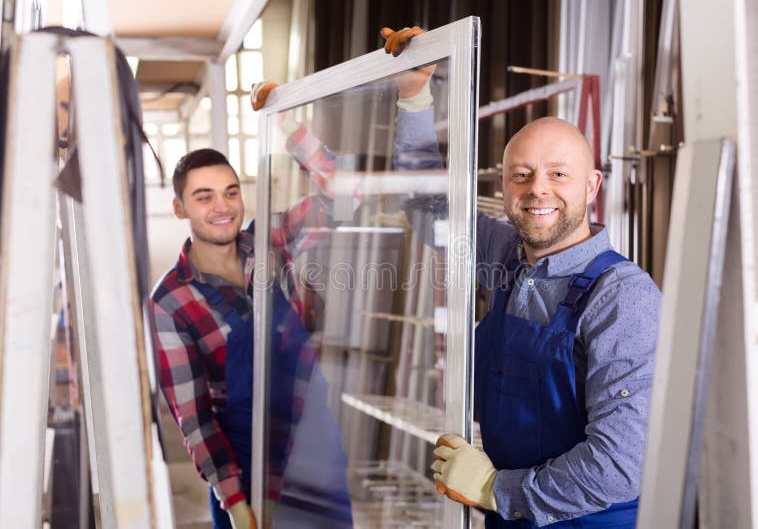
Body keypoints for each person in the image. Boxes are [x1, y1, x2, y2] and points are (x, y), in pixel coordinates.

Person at [381, 28, 661, 528]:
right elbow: (428, 207)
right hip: (507, 518)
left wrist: (493, 488)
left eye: (559, 174)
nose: (538, 191)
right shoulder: (508, 257)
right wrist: (413, 96)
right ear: (505, 185)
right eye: (522, 174)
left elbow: (621, 466)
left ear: (592, 186)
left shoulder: (623, 299)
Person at [150, 129, 352, 527]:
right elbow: (195, 419)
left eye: (230, 192)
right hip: (247, 469)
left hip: (314, 451)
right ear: (179, 208)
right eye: (203, 197)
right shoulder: (170, 302)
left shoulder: (267, 241)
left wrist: (291, 127)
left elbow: (345, 197)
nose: (222, 206)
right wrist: (236, 503)